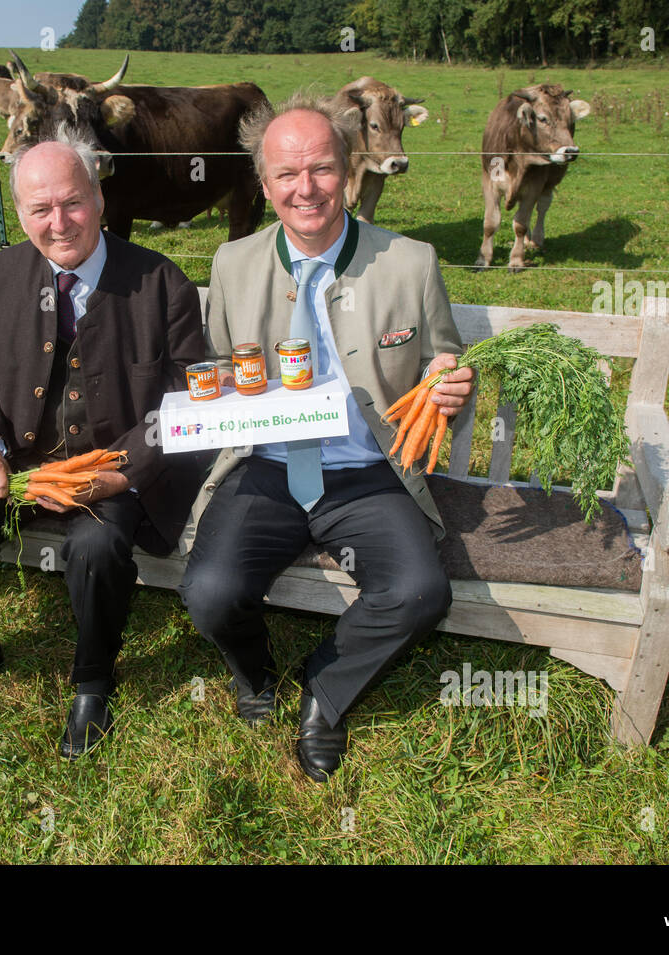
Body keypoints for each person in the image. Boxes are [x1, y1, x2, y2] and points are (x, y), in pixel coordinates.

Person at [178, 92, 476, 782]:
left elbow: (446, 359)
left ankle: (326, 690)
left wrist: (451, 385)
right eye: (286, 174)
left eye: (321, 169)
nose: (304, 188)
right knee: (210, 592)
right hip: (267, 466)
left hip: (367, 469)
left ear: (349, 170)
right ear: (263, 183)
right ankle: (256, 675)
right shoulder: (233, 263)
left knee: (421, 592)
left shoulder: (410, 261)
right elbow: (223, 366)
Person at [0, 132, 207, 758]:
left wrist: (124, 472)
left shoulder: (161, 281)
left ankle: (94, 677)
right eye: (39, 209)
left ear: (99, 198)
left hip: (114, 465)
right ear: (20, 212)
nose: (58, 222)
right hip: (19, 465)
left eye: (72, 203)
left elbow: (187, 397)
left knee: (98, 545)